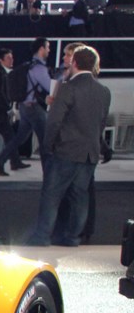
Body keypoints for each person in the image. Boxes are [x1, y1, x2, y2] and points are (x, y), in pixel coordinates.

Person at [25, 45, 110, 246]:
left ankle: (42, 236)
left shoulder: (67, 88)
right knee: (80, 198)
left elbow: (54, 121)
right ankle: (72, 237)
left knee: (52, 195)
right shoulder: (104, 91)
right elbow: (101, 123)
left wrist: (48, 145)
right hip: (90, 153)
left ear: (75, 63)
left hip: (65, 150)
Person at [0, 37, 50, 175]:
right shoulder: (38, 68)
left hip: (25, 106)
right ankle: (49, 173)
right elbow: (49, 86)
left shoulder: (29, 65)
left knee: (19, 137)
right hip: (34, 108)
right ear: (41, 49)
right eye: (47, 47)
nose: (49, 50)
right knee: (45, 141)